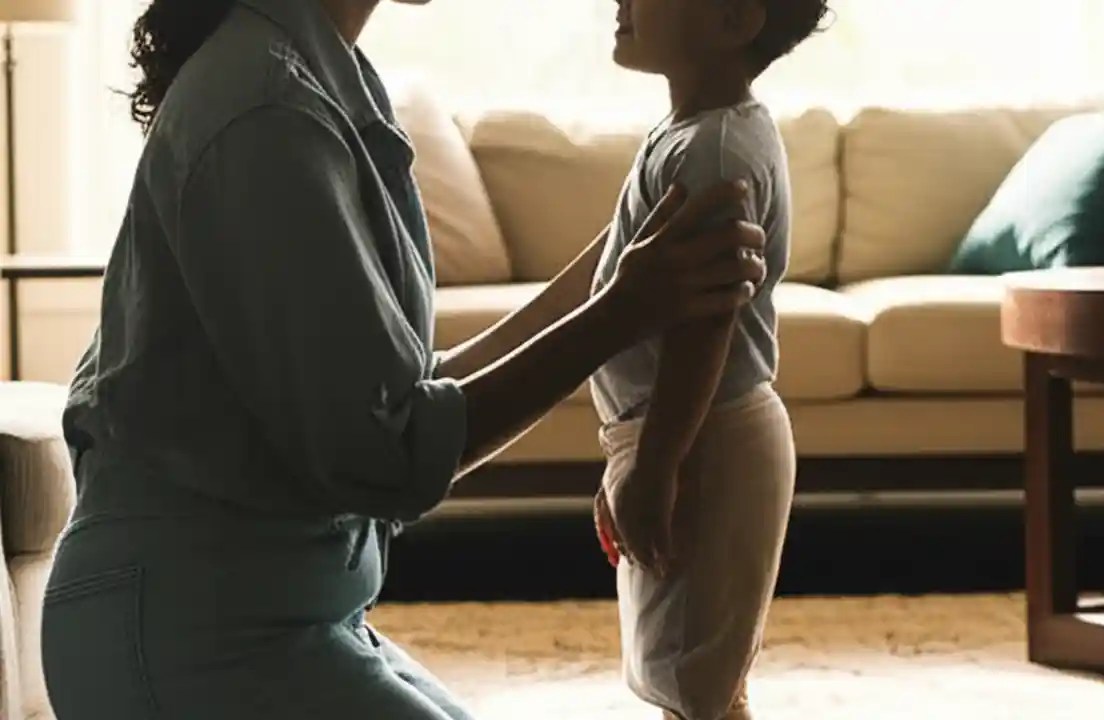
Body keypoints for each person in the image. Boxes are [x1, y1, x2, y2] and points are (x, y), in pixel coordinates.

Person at [39, 0, 769, 718]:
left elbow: (396, 393)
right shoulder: (265, 111)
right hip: (189, 629)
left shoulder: (314, 76)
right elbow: (388, 450)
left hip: (273, 610)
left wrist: (614, 281)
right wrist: (619, 313)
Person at [589, 1, 831, 718]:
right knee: (691, 675)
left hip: (706, 440)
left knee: (696, 681)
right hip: (681, 433)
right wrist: (630, 460)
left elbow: (705, 324)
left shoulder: (715, 152)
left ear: (733, 22)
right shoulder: (690, 135)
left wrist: (659, 465)